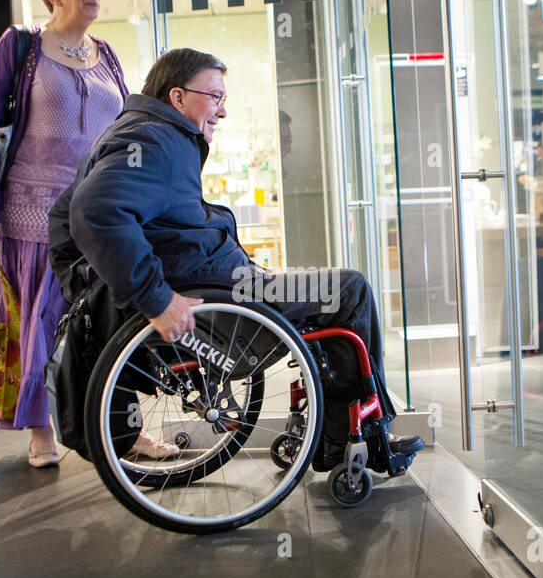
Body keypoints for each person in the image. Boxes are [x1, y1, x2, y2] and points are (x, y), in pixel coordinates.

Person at [47, 48, 424, 471]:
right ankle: (356, 440)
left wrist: (86, 288)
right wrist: (154, 299)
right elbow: (93, 213)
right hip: (223, 296)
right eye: (215, 98)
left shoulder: (127, 132)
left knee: (323, 292)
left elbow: (62, 220)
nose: (222, 112)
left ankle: (338, 433)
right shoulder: (154, 142)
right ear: (177, 96)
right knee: (349, 290)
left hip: (214, 284)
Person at [0, 0, 132, 466]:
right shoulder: (22, 46)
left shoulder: (108, 55)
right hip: (30, 214)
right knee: (36, 323)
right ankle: (40, 429)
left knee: (105, 320)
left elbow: (122, 131)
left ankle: (120, 424)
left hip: (97, 212)